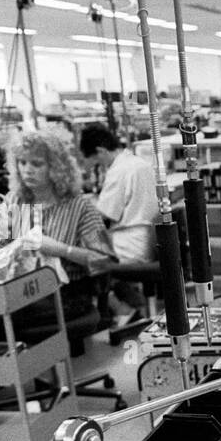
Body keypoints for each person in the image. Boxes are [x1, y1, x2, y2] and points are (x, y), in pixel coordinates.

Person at [0, 130, 116, 347]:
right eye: (22, 162)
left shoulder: (81, 207)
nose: (27, 170)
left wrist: (61, 249)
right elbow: (6, 243)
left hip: (65, 295)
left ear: (56, 167)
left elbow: (106, 262)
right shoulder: (17, 201)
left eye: (37, 164)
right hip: (23, 287)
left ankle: (15, 365)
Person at [79, 122, 158, 319]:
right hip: (148, 238)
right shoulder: (139, 163)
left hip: (131, 241)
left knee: (84, 261)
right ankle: (133, 303)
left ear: (101, 151)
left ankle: (123, 309)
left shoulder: (119, 171)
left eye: (97, 162)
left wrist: (86, 205)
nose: (99, 167)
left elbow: (104, 215)